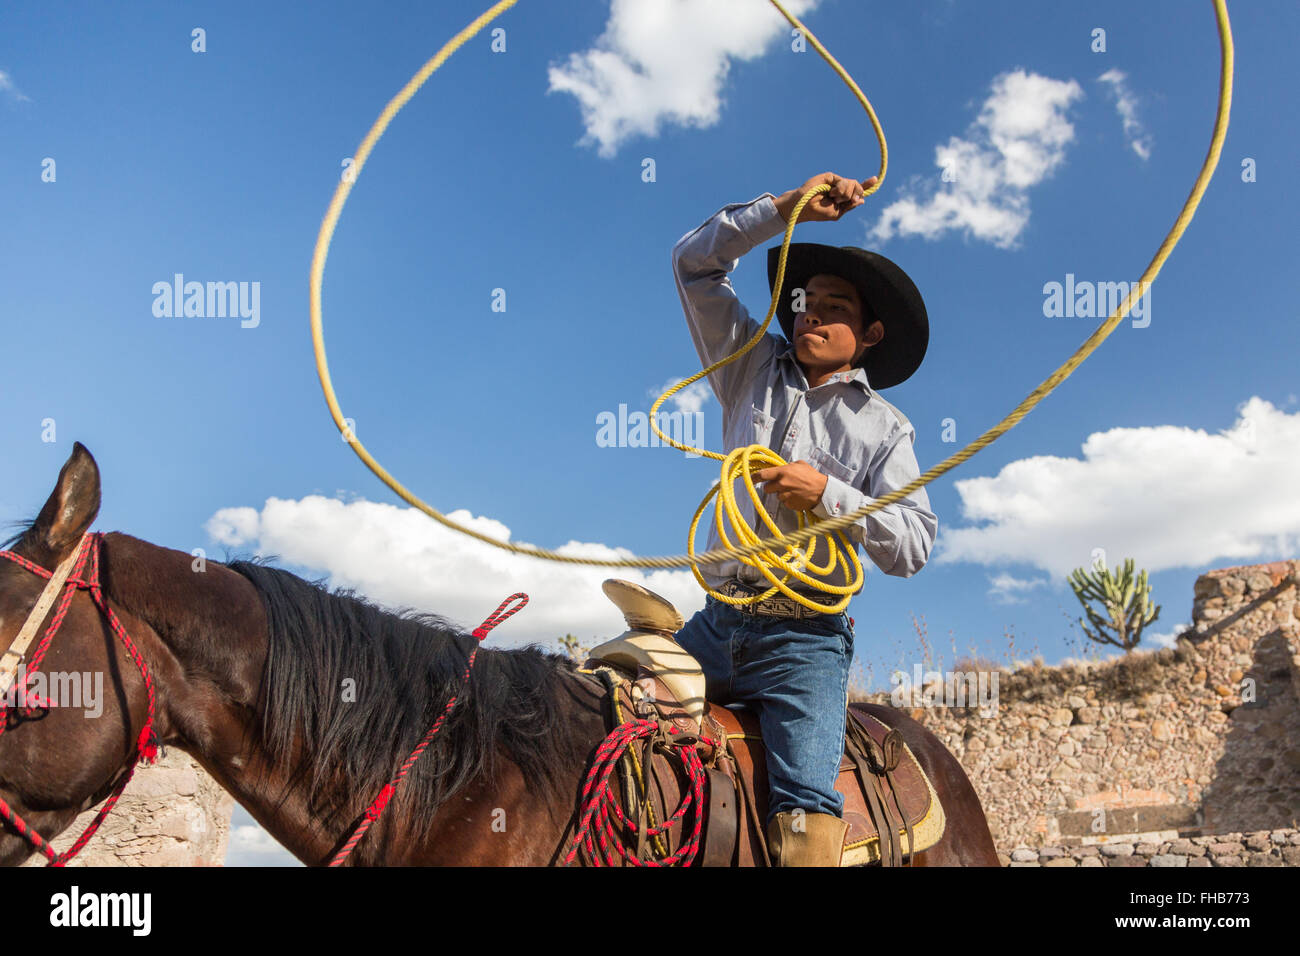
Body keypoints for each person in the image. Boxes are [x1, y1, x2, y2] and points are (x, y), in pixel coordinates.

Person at [669, 172, 938, 866]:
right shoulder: (747, 367)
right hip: (716, 620)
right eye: (803, 303)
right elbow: (694, 264)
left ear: (870, 333)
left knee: (805, 820)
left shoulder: (886, 429)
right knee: (600, 715)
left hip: (803, 640)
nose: (807, 316)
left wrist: (828, 494)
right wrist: (786, 209)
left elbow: (912, 545)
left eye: (832, 307)